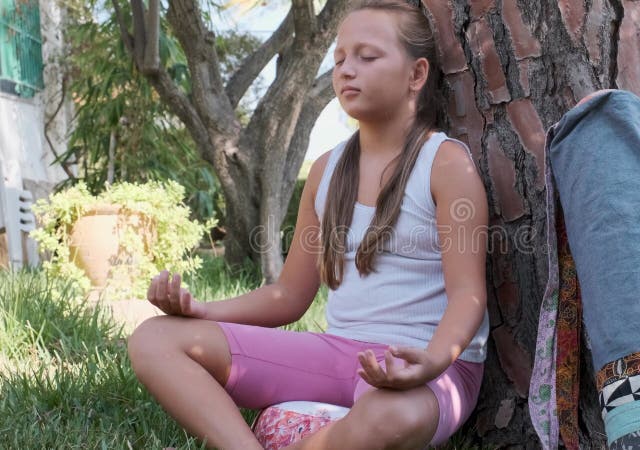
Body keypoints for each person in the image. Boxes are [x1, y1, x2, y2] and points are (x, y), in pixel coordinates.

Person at [126, 1, 490, 449]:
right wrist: (202, 312)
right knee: (154, 339)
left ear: (416, 75)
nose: (346, 70)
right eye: (339, 59)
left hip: (427, 368)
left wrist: (431, 362)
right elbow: (289, 296)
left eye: (367, 57)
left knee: (389, 417)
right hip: (339, 355)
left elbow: (468, 295)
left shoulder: (445, 163)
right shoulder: (327, 170)